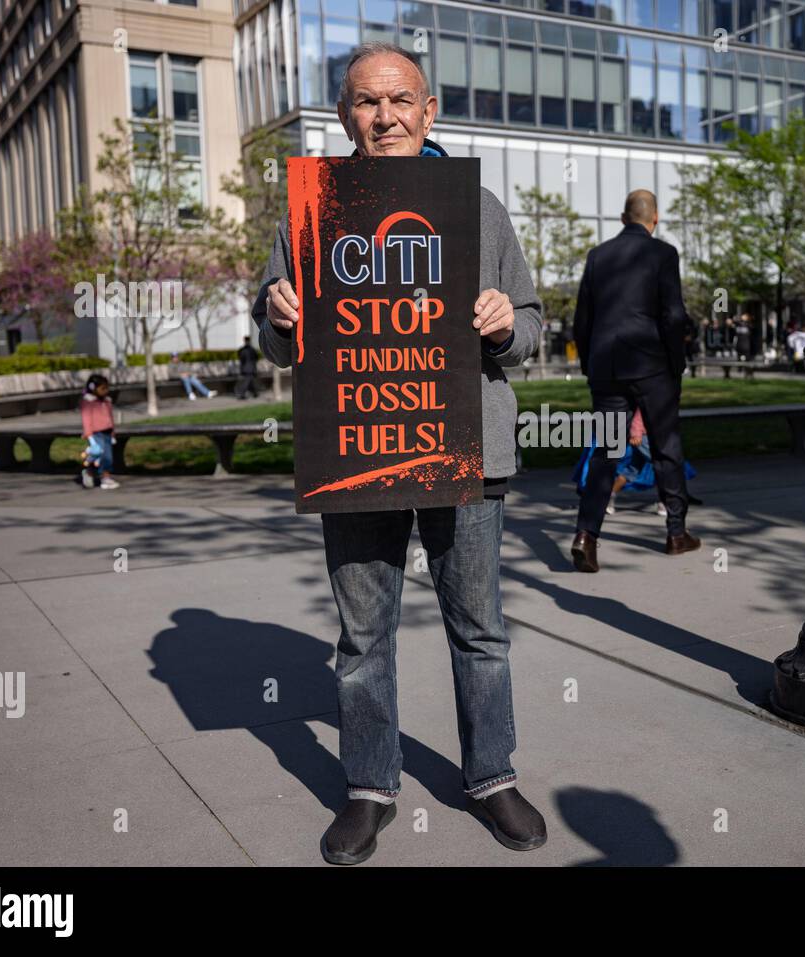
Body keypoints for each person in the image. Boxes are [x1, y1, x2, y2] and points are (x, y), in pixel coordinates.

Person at [252, 42, 546, 865]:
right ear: (345, 115)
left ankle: (492, 775)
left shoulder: (479, 208)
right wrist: (278, 318)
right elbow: (273, 343)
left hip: (468, 449)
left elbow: (532, 325)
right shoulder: (312, 212)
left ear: (429, 110)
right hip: (355, 442)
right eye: (366, 102)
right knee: (362, 636)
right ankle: (369, 788)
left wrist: (504, 323)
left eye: (400, 100)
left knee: (480, 629)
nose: (384, 117)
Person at [570, 189, 700, 572]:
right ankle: (676, 532)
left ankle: (586, 535)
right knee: (666, 447)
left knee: (606, 452)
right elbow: (673, 316)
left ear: (623, 218)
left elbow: (582, 320)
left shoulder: (598, 256)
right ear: (654, 219)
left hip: (607, 368)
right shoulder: (664, 254)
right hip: (652, 365)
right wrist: (677, 365)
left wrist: (589, 366)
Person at [80, 374, 120, 490]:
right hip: (95, 432)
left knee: (107, 455)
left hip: (107, 431)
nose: (105, 391)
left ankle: (100, 475)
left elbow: (110, 416)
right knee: (100, 454)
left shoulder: (106, 401)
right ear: (93, 388)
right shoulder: (88, 402)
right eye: (102, 388)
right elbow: (86, 418)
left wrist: (112, 429)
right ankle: (97, 474)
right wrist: (88, 433)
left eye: (106, 388)